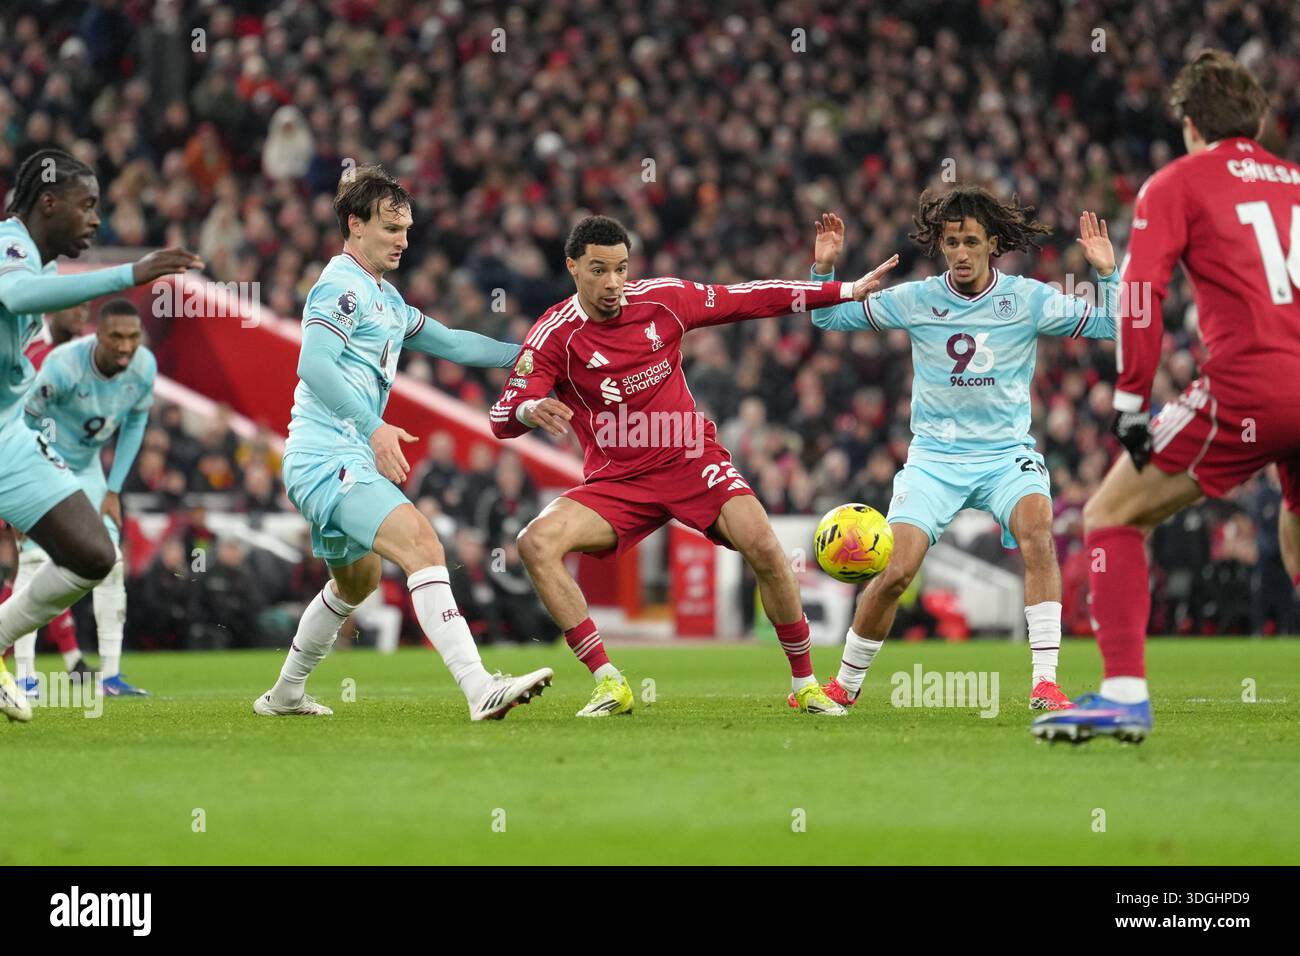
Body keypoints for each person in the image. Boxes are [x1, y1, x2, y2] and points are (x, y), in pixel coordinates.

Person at [489, 214, 895, 717]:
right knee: (534, 543)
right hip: (619, 481)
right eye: (598, 270)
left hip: (689, 457)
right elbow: (502, 416)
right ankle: (608, 681)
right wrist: (529, 409)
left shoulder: (664, 300)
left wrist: (842, 288)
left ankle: (806, 683)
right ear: (572, 267)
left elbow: (748, 298)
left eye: (620, 268)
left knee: (765, 545)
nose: (613, 282)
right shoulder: (556, 333)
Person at [1033, 50, 1300, 743]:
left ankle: (1123, 694)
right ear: (1260, 121)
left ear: (1188, 125)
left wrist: (1129, 403)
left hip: (1252, 387)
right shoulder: (1297, 182)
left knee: (1110, 517)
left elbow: (1142, 298)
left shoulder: (1178, 183)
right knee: (1296, 523)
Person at [253, 165, 553, 721]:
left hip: (335, 459)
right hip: (327, 456)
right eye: (391, 228)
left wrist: (528, 355)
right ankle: (478, 686)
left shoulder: (385, 299)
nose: (403, 240)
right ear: (355, 224)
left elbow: (455, 344)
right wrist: (373, 426)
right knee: (422, 543)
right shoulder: (341, 286)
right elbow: (313, 365)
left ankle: (285, 694)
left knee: (357, 581)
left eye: (408, 229)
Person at [806, 187, 1117, 711]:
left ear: (993, 243)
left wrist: (1108, 275)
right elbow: (827, 319)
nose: (961, 251)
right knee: (896, 571)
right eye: (952, 242)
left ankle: (1045, 682)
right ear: (942, 246)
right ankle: (844, 686)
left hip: (1005, 456)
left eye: (972, 240)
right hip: (934, 460)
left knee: (1038, 531)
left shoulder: (1028, 298)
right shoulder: (916, 298)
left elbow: (1111, 323)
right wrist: (824, 272)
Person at [0, 147, 200, 722]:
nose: (95, 219)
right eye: (87, 206)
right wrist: (130, 274)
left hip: (9, 434)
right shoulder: (11, 245)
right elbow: (13, 297)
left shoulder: (38, 262)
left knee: (94, 554)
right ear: (48, 202)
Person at [14, 299, 155, 697]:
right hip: (43, 463)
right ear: (98, 335)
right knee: (34, 560)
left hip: (90, 469)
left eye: (133, 336)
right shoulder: (61, 364)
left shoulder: (144, 366)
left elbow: (137, 419)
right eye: (116, 337)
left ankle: (110, 677)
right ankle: (25, 677)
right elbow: (22, 422)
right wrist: (20, 488)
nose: (125, 346)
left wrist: (114, 488)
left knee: (111, 562)